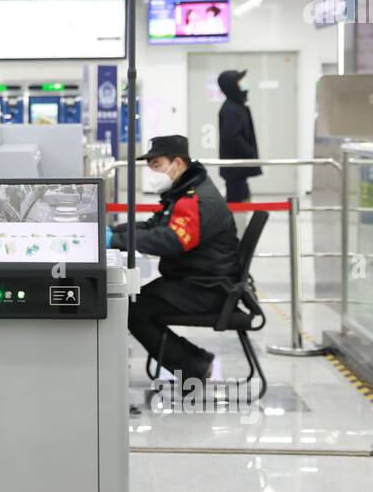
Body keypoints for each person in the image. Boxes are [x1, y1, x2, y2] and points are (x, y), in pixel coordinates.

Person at [108, 135, 240, 382]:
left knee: (132, 310)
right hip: (196, 278)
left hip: (207, 286)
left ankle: (193, 368)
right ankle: (197, 361)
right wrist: (116, 232)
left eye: (156, 164)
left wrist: (114, 242)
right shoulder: (184, 192)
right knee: (131, 305)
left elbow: (172, 240)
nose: (152, 171)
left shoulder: (197, 199)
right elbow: (154, 225)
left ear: (177, 163)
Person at [217, 69, 260, 204]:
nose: (242, 83)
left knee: (243, 201)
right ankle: (237, 225)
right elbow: (232, 137)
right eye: (239, 80)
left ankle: (242, 225)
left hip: (240, 169)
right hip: (235, 168)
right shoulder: (231, 109)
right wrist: (249, 152)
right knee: (237, 204)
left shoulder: (237, 105)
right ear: (231, 85)